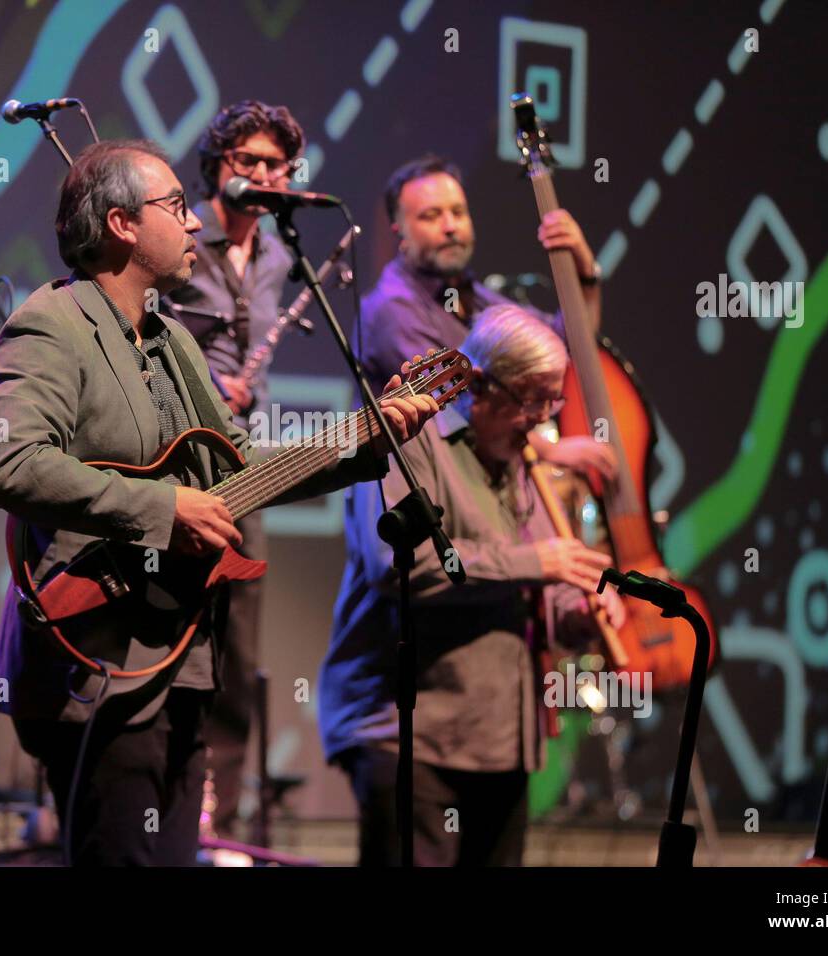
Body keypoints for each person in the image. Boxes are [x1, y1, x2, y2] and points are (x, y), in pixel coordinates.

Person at [0, 139, 437, 865]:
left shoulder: (172, 342)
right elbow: (14, 465)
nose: (196, 224)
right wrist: (165, 510)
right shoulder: (49, 326)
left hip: (183, 658)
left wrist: (367, 440)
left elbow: (239, 469)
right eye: (176, 208)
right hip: (98, 660)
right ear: (123, 224)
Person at [318, 304, 626, 866]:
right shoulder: (409, 440)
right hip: (409, 729)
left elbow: (530, 591)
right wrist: (536, 562)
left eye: (552, 401)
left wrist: (577, 615)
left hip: (502, 736)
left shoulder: (523, 462)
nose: (543, 419)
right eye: (533, 399)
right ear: (479, 385)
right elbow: (394, 565)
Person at [165, 100, 306, 833]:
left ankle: (223, 815)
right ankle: (167, 801)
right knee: (172, 623)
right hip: (177, 453)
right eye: (244, 161)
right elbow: (143, 328)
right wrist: (205, 380)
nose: (258, 174)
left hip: (246, 457)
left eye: (272, 165)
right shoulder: (183, 234)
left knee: (240, 636)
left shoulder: (282, 254)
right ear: (218, 167)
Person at [358, 154, 615, 482]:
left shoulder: (476, 296)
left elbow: (567, 343)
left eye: (458, 212)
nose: (450, 226)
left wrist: (585, 271)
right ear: (400, 229)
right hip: (428, 491)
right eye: (431, 216)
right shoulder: (389, 309)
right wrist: (551, 450)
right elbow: (457, 405)